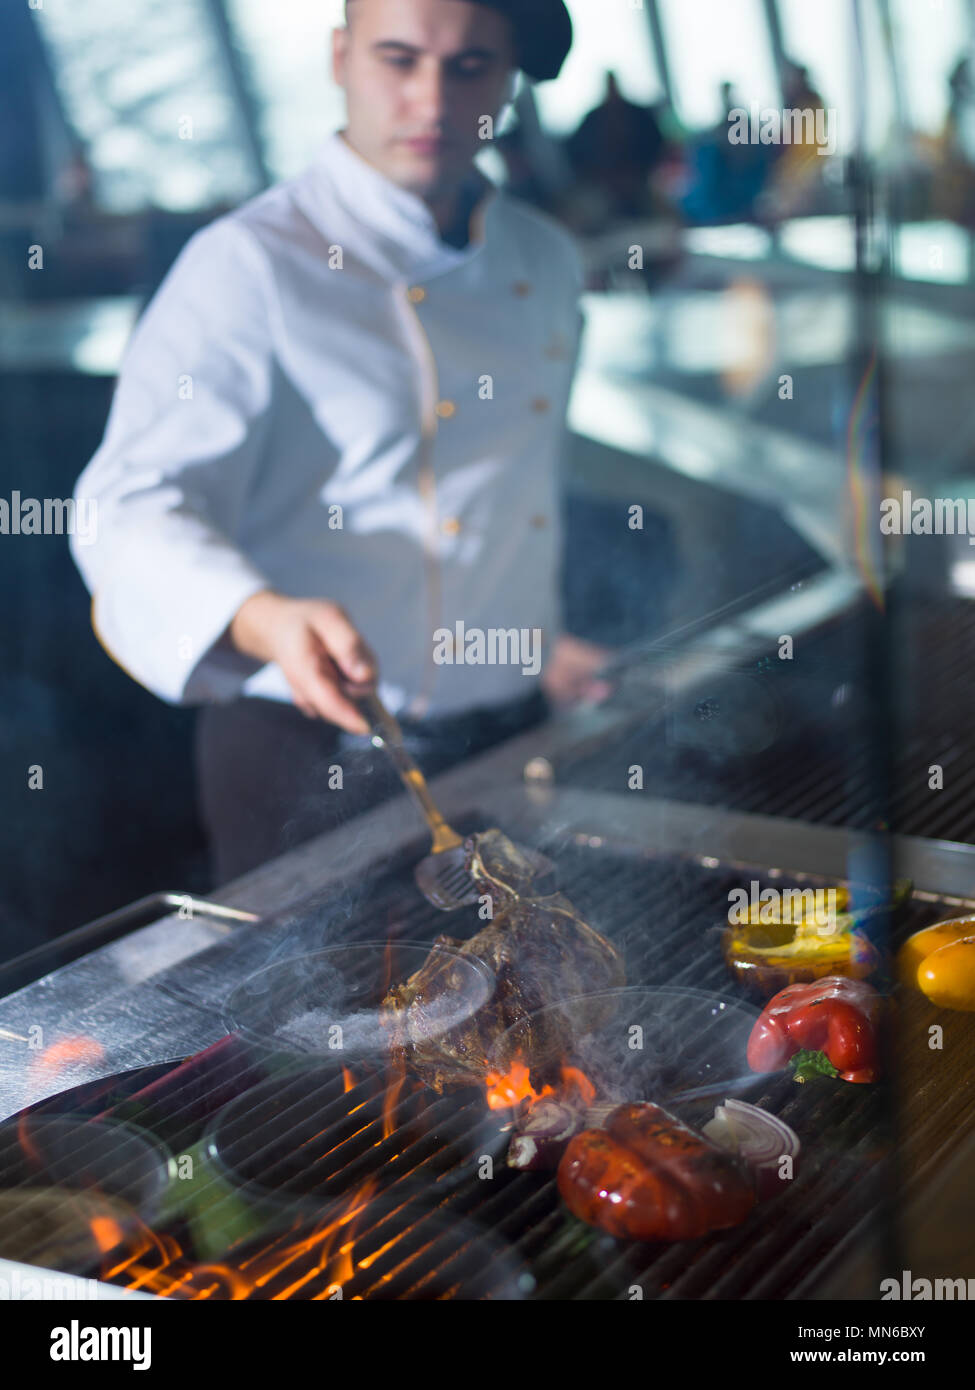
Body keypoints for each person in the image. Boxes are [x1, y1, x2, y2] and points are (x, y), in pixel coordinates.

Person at [71, 0, 612, 884]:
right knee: (319, 1022)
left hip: (511, 725)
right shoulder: (249, 262)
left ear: (510, 82)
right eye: (397, 59)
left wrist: (536, 635)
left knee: (527, 1003)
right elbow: (126, 506)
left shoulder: (545, 259)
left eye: (469, 66)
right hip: (307, 746)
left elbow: (507, 489)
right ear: (339, 56)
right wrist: (260, 616)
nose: (432, 98)